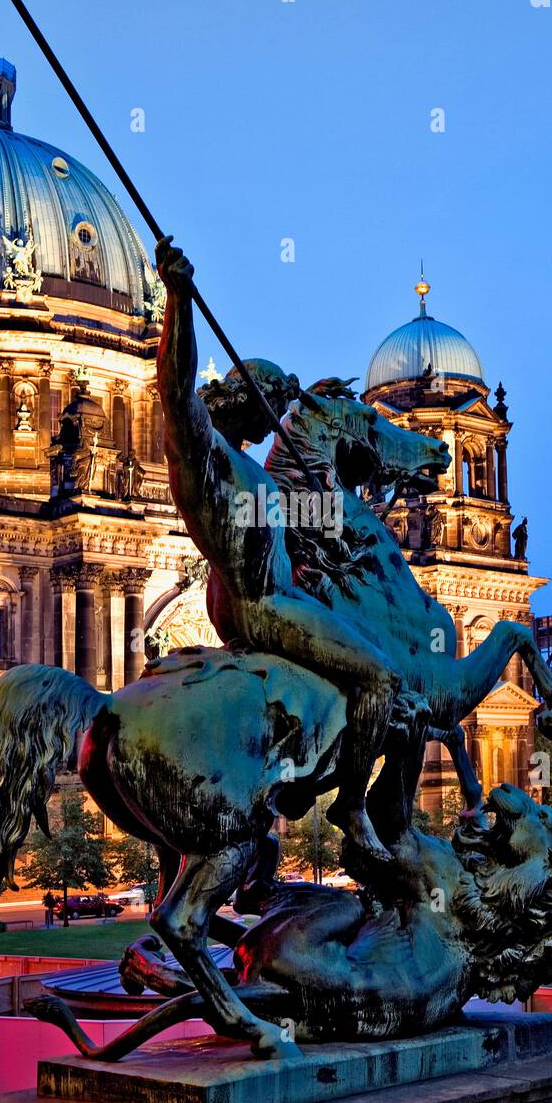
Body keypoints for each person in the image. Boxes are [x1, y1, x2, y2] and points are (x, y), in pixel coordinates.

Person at [155, 236, 397, 862]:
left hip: (266, 592)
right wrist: (178, 299)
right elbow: (177, 389)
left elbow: (324, 523)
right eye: (265, 408)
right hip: (260, 604)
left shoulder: (250, 470)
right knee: (377, 675)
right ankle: (351, 806)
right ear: (241, 400)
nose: (272, 427)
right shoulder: (204, 454)